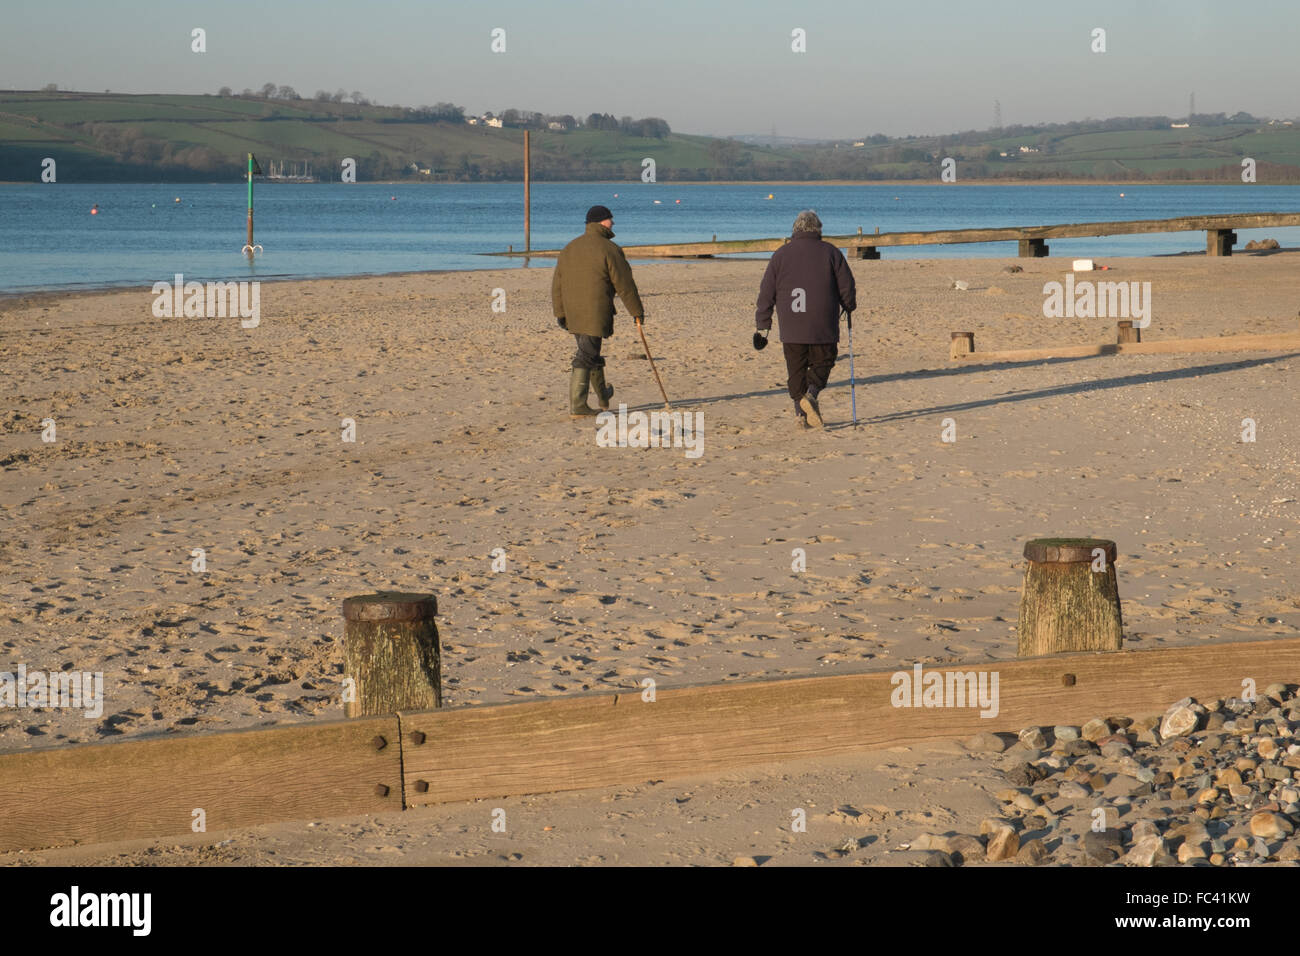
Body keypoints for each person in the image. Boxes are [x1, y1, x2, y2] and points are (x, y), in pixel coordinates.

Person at [754, 210, 856, 429]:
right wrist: (849, 305)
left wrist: (763, 326)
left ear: (795, 229)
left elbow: (766, 292)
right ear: (818, 229)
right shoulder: (831, 252)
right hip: (822, 323)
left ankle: (800, 415)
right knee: (825, 360)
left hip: (792, 325)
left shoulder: (781, 255)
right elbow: (846, 284)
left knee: (796, 370)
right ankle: (811, 394)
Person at [551, 205, 645, 417]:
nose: (613, 223)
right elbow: (625, 285)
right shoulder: (609, 249)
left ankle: (603, 396)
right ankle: (578, 405)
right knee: (586, 355)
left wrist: (560, 312)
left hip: (572, 312)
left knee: (590, 353)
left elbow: (557, 284)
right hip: (594, 311)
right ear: (602, 222)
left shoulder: (569, 248)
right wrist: (637, 312)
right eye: (611, 219)